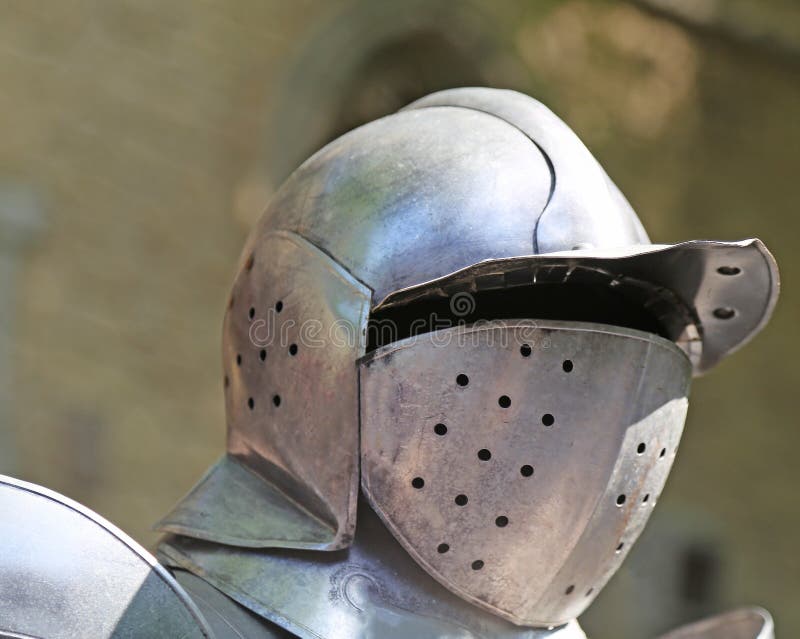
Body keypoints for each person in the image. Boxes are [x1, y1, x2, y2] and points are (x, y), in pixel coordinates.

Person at [0, 88, 780, 639]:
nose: (595, 412)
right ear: (305, 339)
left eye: (640, 323)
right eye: (514, 320)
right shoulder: (73, 610)